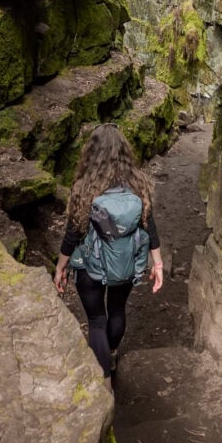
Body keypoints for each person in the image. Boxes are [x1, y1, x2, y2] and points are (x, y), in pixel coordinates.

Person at [53, 124, 163, 387]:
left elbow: (72, 233)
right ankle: (112, 352)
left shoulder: (85, 187)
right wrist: (157, 264)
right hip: (124, 266)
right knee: (117, 311)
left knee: (96, 321)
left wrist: (60, 267)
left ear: (91, 153)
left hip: (91, 268)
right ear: (125, 151)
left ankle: (103, 382)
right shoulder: (139, 184)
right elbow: (150, 226)